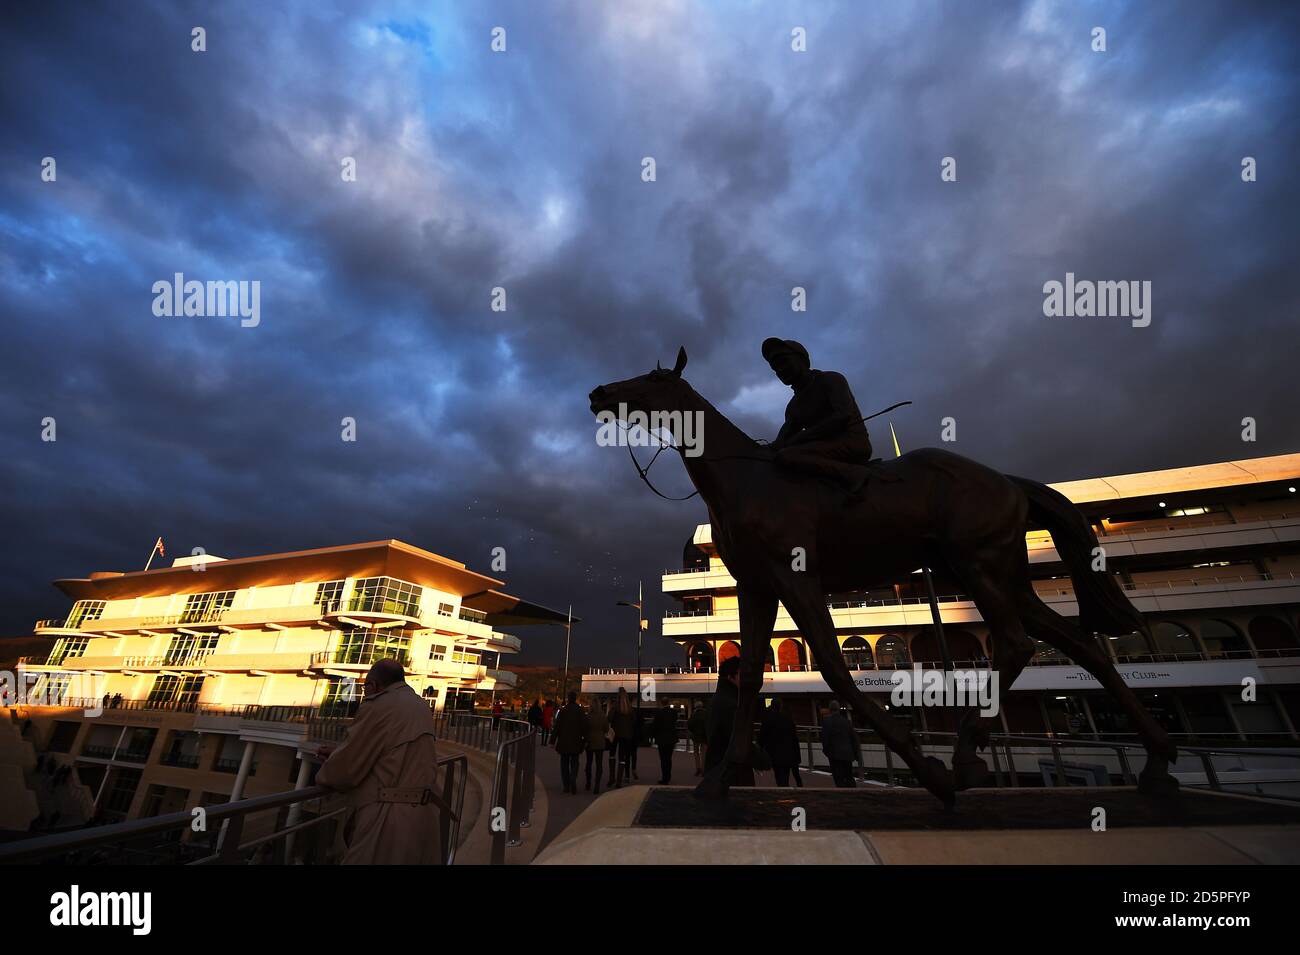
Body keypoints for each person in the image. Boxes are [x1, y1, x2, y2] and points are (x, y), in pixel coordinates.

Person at [314, 658, 442, 864]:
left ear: (373, 685)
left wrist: (326, 771)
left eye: (364, 687)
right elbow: (392, 750)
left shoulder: (378, 705)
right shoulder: (420, 704)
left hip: (388, 819)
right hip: (423, 815)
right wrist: (340, 752)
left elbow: (346, 770)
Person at [763, 337, 873, 496]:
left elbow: (842, 416)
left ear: (802, 359)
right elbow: (781, 442)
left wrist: (799, 438)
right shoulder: (793, 406)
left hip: (852, 443)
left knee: (788, 456)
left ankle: (853, 473)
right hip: (819, 450)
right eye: (775, 368)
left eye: (783, 361)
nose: (780, 370)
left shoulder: (831, 380)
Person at [704, 656, 741, 774]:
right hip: (727, 769)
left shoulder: (719, 698)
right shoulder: (729, 703)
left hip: (717, 765)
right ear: (731, 677)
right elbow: (735, 739)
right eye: (741, 675)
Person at [758, 698, 803, 787]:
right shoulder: (787, 720)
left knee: (778, 775)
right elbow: (794, 738)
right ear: (780, 707)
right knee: (785, 775)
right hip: (788, 752)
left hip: (774, 753)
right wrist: (797, 755)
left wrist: (760, 750)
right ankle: (785, 788)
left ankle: (782, 789)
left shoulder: (767, 720)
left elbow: (762, 737)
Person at [551, 691, 587, 795]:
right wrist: (585, 740)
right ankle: (573, 778)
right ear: (575, 698)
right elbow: (583, 727)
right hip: (576, 741)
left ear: (568, 698)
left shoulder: (563, 711)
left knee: (564, 763)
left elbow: (557, 727)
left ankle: (566, 785)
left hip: (564, 741)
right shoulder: (580, 710)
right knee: (575, 762)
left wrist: (552, 741)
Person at [820, 700, 862, 788]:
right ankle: (852, 792)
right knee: (849, 775)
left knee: (838, 777)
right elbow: (854, 738)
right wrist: (856, 753)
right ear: (839, 709)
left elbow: (825, 738)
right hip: (847, 753)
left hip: (834, 754)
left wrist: (826, 751)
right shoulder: (846, 721)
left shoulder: (827, 722)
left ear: (830, 710)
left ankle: (842, 793)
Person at [610, 688, 637, 788]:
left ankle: (612, 777)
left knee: (612, 755)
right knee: (622, 757)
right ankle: (619, 780)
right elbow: (633, 721)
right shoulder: (630, 708)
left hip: (616, 734)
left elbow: (609, 718)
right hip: (626, 735)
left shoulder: (615, 707)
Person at [651, 700, 680, 784]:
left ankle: (665, 777)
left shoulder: (659, 713)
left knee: (663, 758)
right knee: (668, 758)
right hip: (671, 738)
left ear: (661, 703)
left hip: (662, 738)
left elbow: (655, 725)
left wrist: (653, 735)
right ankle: (668, 776)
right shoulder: (674, 712)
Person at [584, 699, 610, 794]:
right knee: (599, 764)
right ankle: (597, 785)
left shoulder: (588, 716)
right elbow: (606, 729)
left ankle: (588, 782)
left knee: (589, 763)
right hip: (600, 742)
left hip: (590, 742)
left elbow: (585, 728)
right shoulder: (603, 716)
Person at [688, 702, 708, 776]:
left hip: (696, 736)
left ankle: (698, 768)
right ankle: (703, 769)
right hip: (704, 736)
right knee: (704, 753)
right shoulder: (706, 714)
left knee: (696, 752)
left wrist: (693, 731)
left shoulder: (693, 714)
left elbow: (689, 724)